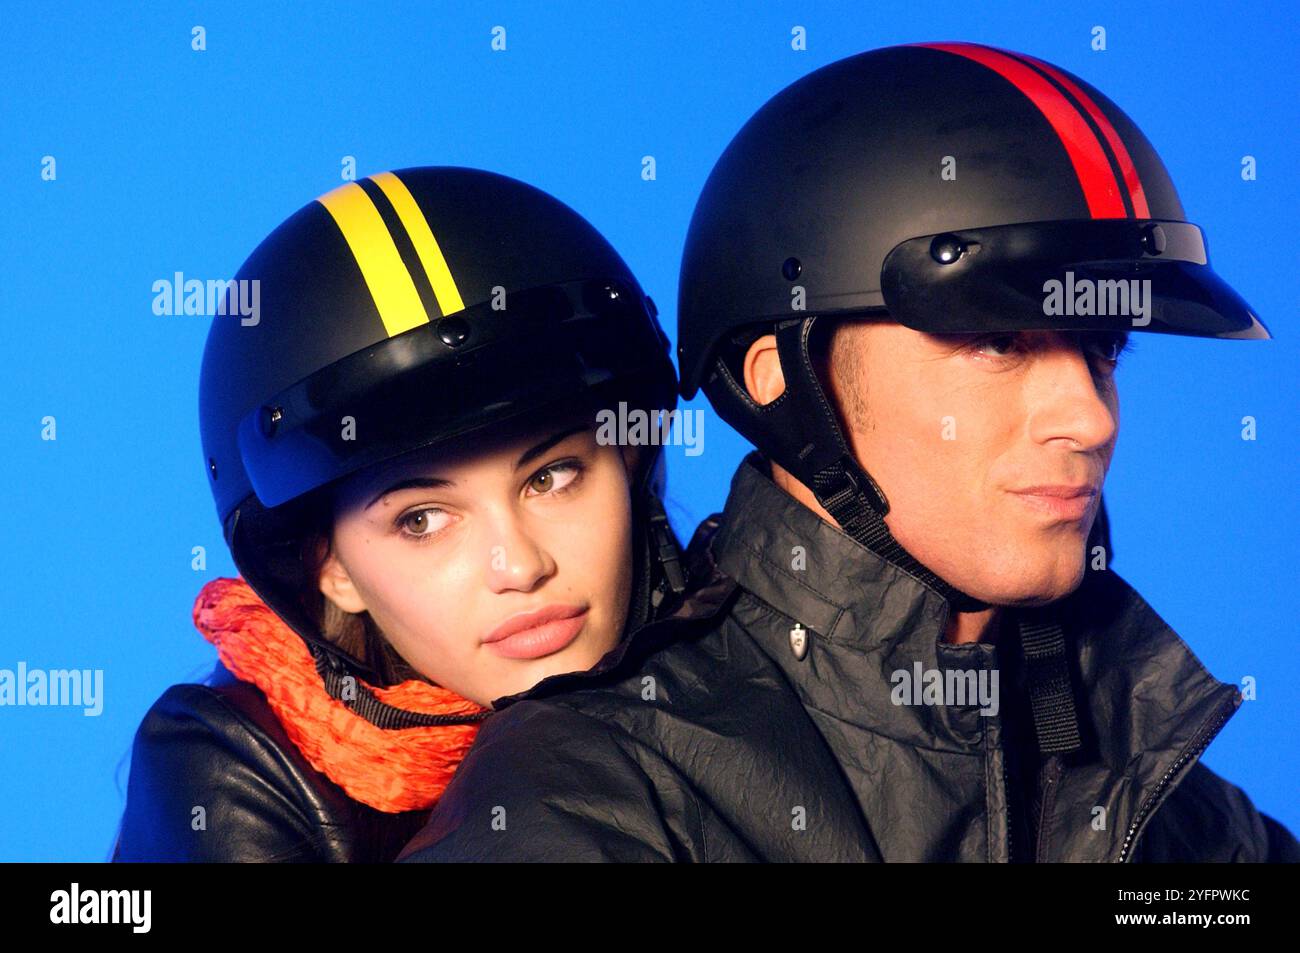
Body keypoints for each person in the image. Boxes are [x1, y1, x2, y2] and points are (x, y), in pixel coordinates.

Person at [398, 43, 1298, 862]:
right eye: (995, 342)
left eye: (1103, 347)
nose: (1090, 419)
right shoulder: (591, 790)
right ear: (779, 383)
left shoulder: (1155, 778)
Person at [110, 165, 696, 861]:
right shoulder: (236, 778)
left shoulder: (734, 650)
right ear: (330, 569)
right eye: (422, 519)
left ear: (629, 465)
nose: (521, 565)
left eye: (552, 475)